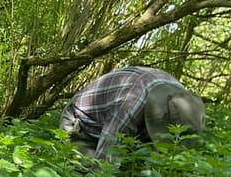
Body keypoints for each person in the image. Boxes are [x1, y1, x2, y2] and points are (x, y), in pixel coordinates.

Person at [59, 66, 206, 159]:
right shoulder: (131, 104)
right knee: (85, 173)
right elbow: (107, 159)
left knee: (138, 176)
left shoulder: (180, 96)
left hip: (117, 120)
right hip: (82, 122)